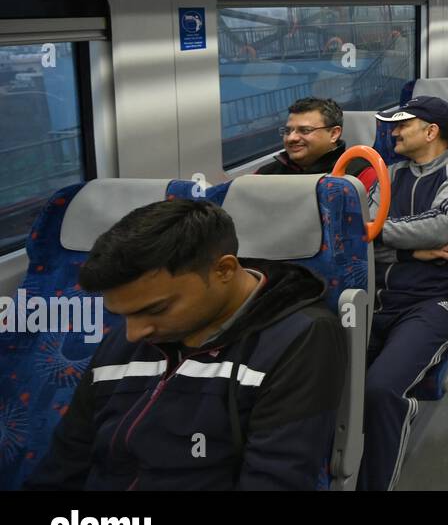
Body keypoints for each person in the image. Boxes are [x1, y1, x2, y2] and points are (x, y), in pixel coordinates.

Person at [26, 199, 346, 490]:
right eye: (122, 315)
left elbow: (276, 479)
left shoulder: (297, 339)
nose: (134, 334)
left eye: (155, 310)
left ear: (223, 270)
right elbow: (65, 461)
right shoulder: (129, 339)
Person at [361, 96, 448, 491]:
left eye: (402, 125)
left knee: (380, 391)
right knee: (322, 379)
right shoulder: (390, 175)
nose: (393, 132)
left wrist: (379, 236)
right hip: (374, 296)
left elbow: (439, 226)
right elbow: (354, 236)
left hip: (433, 301)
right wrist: (409, 249)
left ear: (432, 131)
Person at [257, 96, 377, 188]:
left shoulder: (359, 175)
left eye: (305, 130)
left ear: (334, 134)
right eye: (287, 131)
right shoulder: (264, 176)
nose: (291, 138)